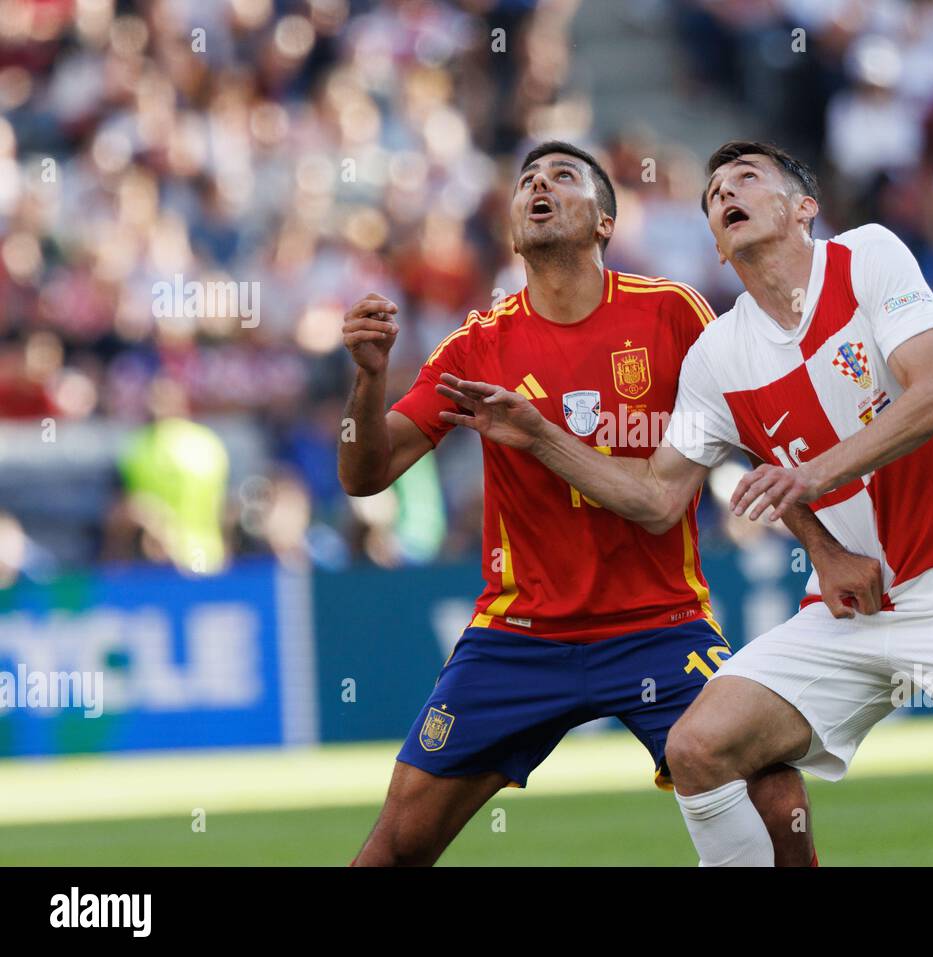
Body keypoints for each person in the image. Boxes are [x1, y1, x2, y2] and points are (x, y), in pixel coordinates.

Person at [434, 141, 933, 867]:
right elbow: (657, 495)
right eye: (712, 195)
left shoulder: (867, 256)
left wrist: (812, 476)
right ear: (714, 241)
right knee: (697, 748)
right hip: (847, 610)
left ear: (804, 207)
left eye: (746, 180)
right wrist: (540, 437)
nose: (726, 193)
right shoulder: (717, 355)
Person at [339, 141, 876, 866]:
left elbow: (755, 436)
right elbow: (367, 473)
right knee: (397, 844)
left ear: (603, 222)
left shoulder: (671, 314)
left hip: (660, 623)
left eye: (563, 177)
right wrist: (369, 383)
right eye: (528, 179)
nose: (539, 185)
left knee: (777, 800)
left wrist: (827, 549)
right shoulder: (478, 344)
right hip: (519, 635)